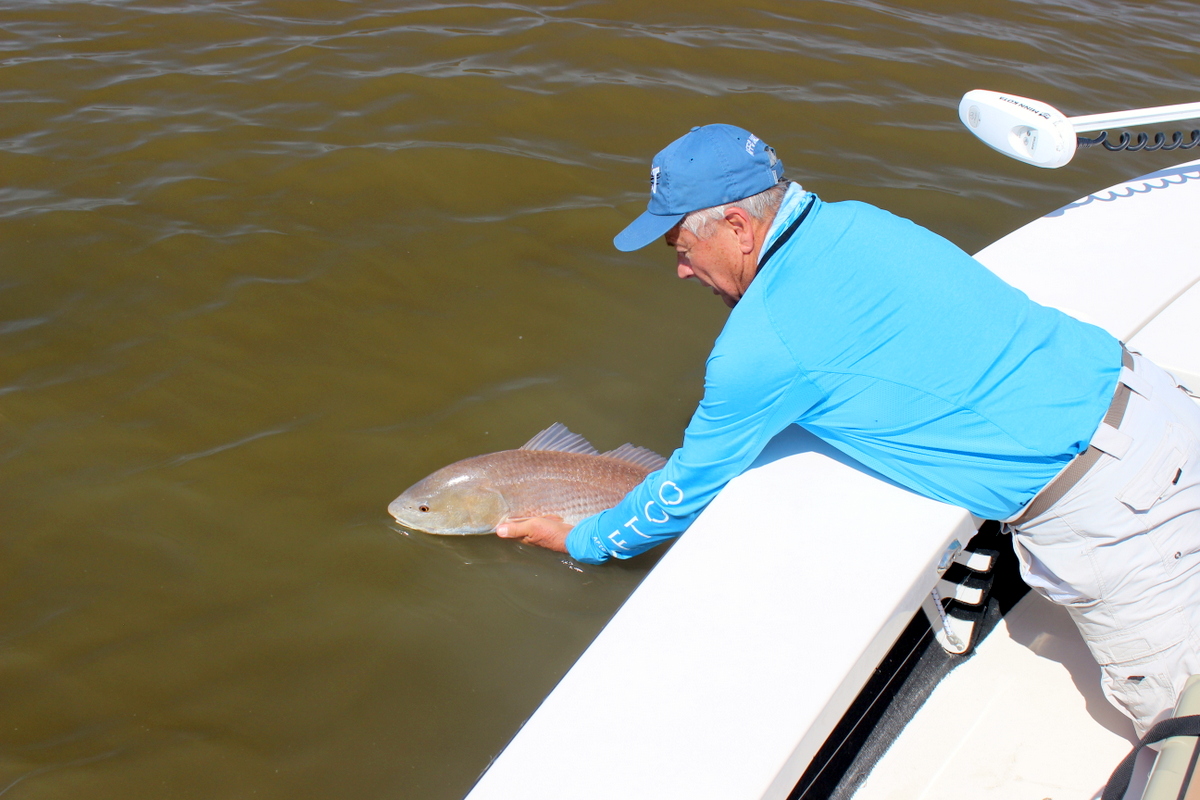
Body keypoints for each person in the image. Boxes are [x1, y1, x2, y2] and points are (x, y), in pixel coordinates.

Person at [496, 123, 1200, 736]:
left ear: (738, 228)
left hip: (1118, 513)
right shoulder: (858, 221)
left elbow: (681, 489)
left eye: (681, 246)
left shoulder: (759, 341)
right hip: (1153, 398)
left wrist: (580, 539)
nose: (681, 270)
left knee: (1183, 738)